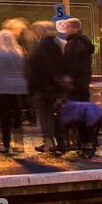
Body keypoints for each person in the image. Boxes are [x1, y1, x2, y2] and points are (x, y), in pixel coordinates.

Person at [0, 29, 28, 153]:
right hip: (17, 88)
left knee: (5, 118)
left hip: (3, 88)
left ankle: (5, 144)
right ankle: (19, 144)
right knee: (17, 116)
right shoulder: (19, 52)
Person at [28, 21, 66, 152]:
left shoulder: (41, 46)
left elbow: (36, 69)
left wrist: (32, 88)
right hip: (55, 87)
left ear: (41, 31)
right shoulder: (56, 44)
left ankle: (48, 142)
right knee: (55, 115)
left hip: (44, 88)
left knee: (45, 116)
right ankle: (61, 141)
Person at [59, 17, 95, 102]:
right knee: (83, 105)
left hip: (75, 82)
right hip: (83, 81)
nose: (66, 30)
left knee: (76, 107)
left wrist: (68, 78)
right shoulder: (84, 42)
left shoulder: (74, 43)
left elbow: (72, 63)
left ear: (75, 28)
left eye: (67, 27)